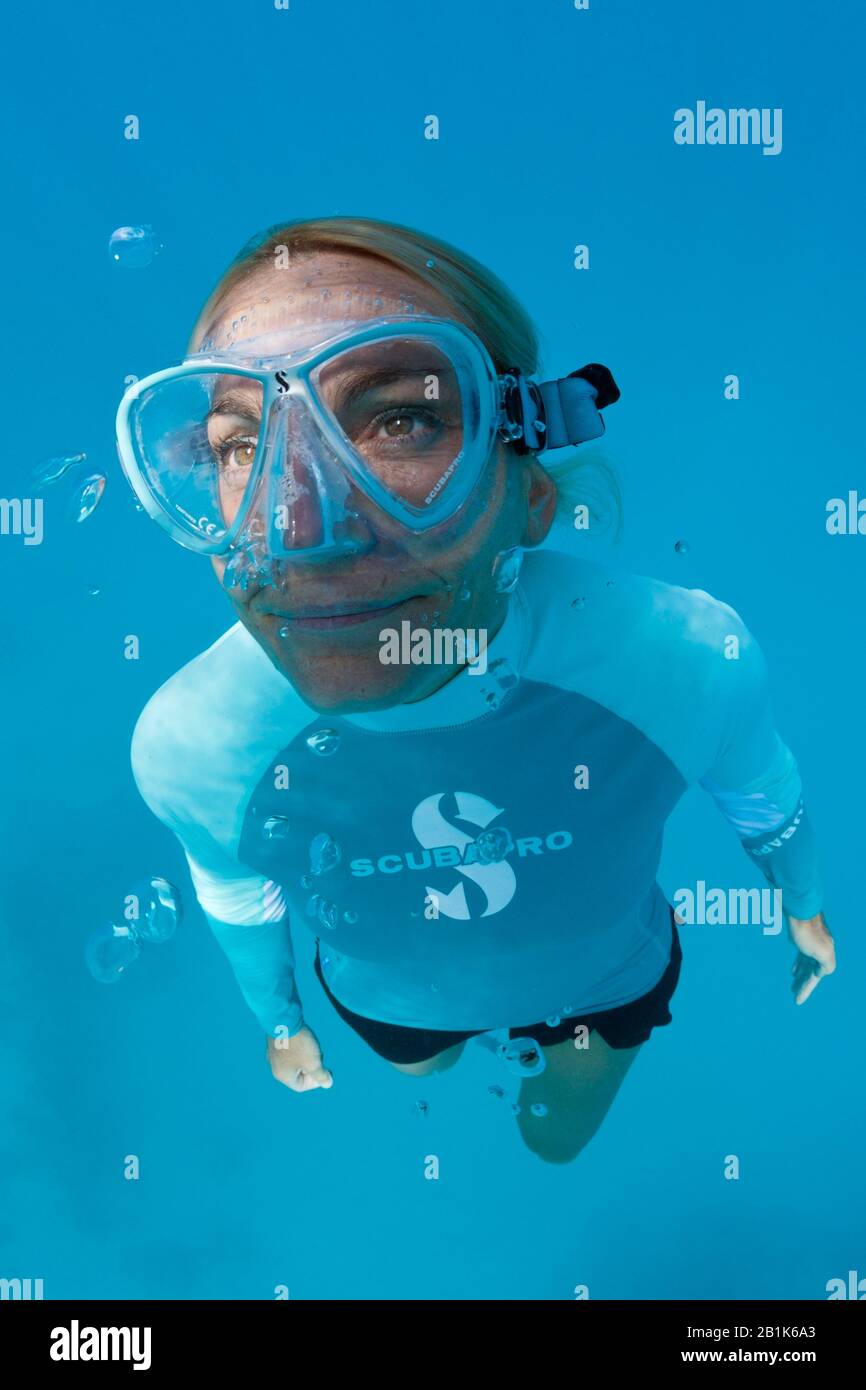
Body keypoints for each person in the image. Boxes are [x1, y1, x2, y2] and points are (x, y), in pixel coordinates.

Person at [119, 216, 835, 1165]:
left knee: (554, 1143)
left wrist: (803, 904)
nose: (297, 527)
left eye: (399, 418)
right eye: (240, 445)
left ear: (531, 488)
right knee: (424, 1063)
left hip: (604, 988)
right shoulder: (192, 742)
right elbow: (237, 889)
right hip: (389, 1001)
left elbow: (763, 796)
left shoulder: (685, 656)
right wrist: (284, 1019)